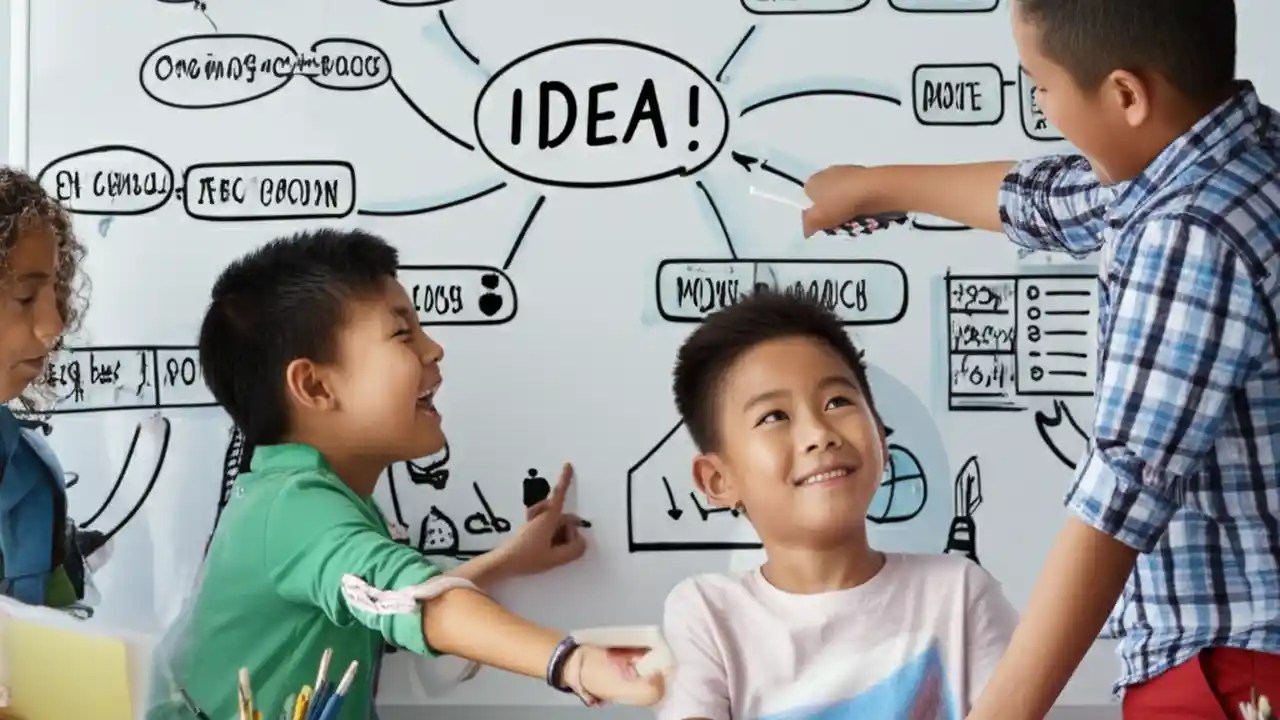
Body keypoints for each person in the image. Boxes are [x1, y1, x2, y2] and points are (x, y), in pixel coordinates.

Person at [801, 1, 1280, 717]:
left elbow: (1121, 498)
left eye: (1041, 85)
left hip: (1231, 667)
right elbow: (1060, 201)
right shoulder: (1239, 157)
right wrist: (875, 184)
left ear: (1125, 94)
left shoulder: (1190, 237)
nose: (1039, 104)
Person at [147, 228, 664, 719]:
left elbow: (391, 600)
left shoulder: (306, 498)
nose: (434, 349)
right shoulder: (295, 509)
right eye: (402, 333)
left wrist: (510, 559)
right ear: (316, 387)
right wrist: (574, 663)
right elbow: (414, 606)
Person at [656, 290, 1018, 720]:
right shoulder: (708, 613)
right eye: (774, 416)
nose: (819, 433)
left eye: (838, 402)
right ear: (718, 480)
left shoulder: (960, 593)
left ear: (881, 439)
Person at [0, 166, 107, 611]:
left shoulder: (34, 473)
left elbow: (56, 628)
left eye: (55, 294)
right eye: (26, 298)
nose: (55, 325)